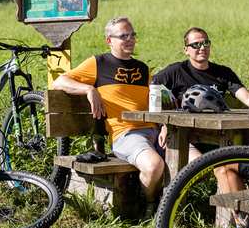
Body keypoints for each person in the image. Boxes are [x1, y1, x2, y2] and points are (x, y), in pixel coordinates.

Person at [50, 17, 165, 215]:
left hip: (156, 131)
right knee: (154, 166)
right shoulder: (98, 63)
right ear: (109, 40)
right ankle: (151, 207)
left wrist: (164, 125)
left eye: (132, 35)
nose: (129, 39)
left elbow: (152, 104)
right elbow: (59, 82)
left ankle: (176, 208)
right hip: (126, 135)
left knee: (193, 160)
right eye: (123, 36)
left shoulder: (142, 68)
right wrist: (88, 89)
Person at [152, 27, 249, 193]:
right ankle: (173, 206)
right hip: (184, 137)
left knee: (233, 168)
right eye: (195, 45)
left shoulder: (223, 73)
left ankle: (238, 214)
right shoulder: (176, 71)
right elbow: (152, 89)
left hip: (218, 137)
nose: (202, 48)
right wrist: (164, 124)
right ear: (186, 50)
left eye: (205, 43)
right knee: (202, 166)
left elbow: (246, 97)